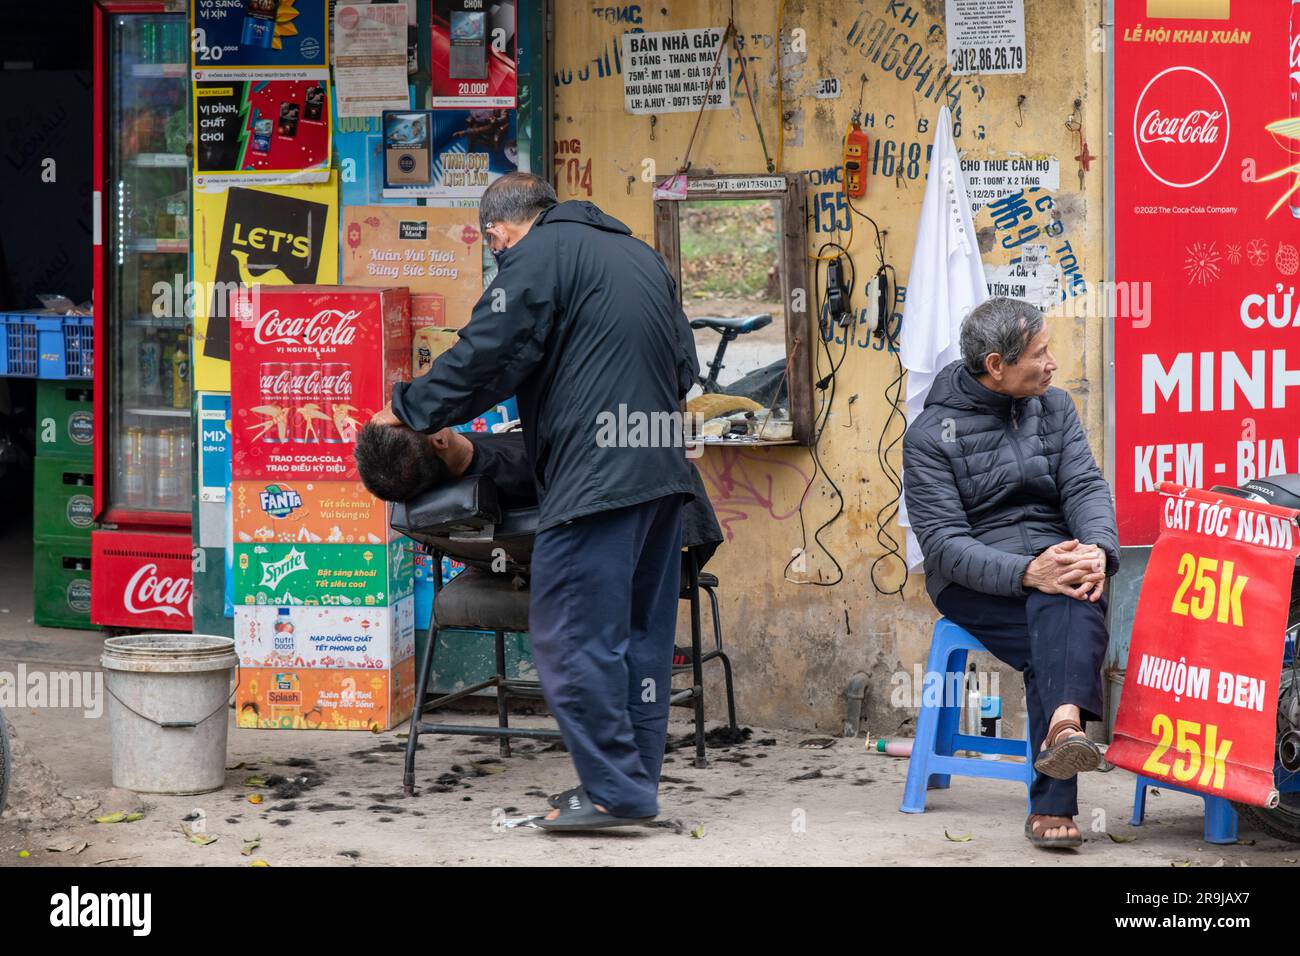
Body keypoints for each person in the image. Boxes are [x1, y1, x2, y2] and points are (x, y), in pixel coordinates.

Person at [368, 172, 700, 831]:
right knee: (638, 640)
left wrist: (406, 408)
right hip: (665, 476)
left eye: (495, 248)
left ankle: (614, 792)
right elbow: (684, 368)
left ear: (499, 233)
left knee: (571, 638)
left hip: (598, 483)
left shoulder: (537, 256)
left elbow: (489, 351)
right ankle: (631, 783)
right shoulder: (640, 256)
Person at [902, 296, 1119, 850]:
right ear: (996, 365)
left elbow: (1086, 487)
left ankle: (1062, 725)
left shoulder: (1056, 408)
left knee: (1067, 596)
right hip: (975, 580)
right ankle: (1062, 752)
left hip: (1058, 562)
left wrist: (1096, 549)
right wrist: (1028, 572)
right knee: (1064, 613)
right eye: (1039, 353)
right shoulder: (931, 435)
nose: (1052, 363)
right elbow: (944, 547)